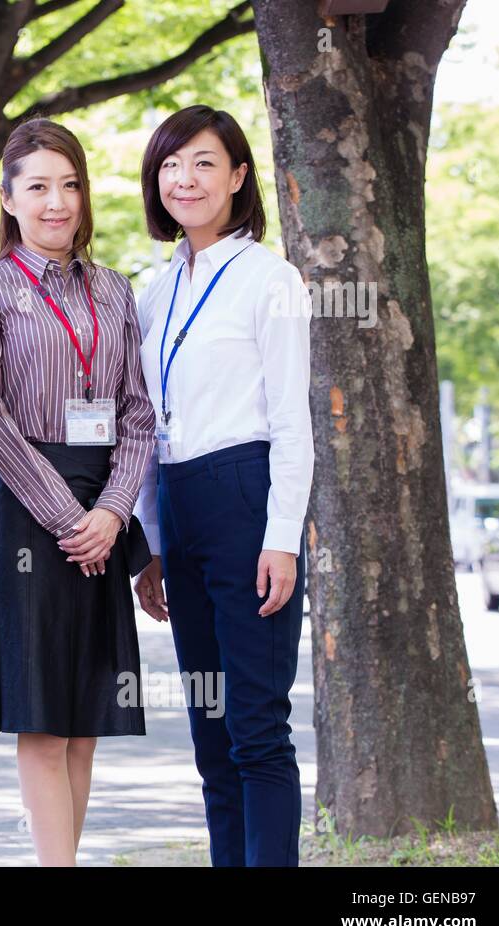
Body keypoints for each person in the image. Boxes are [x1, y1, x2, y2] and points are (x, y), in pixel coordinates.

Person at [0, 118, 155, 866]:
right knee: (43, 718)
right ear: (8, 200)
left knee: (87, 710)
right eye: (37, 187)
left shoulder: (114, 289)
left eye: (69, 185)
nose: (56, 202)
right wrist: (73, 518)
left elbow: (138, 414)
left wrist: (113, 510)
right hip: (33, 512)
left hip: (104, 502)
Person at [132, 105, 313, 867]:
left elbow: (292, 420)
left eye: (206, 163)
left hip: (246, 497)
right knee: (210, 729)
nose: (187, 179)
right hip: (177, 504)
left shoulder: (271, 279)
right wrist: (149, 541)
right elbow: (143, 421)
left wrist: (281, 539)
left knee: (256, 728)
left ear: (239, 177)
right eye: (173, 164)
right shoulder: (151, 288)